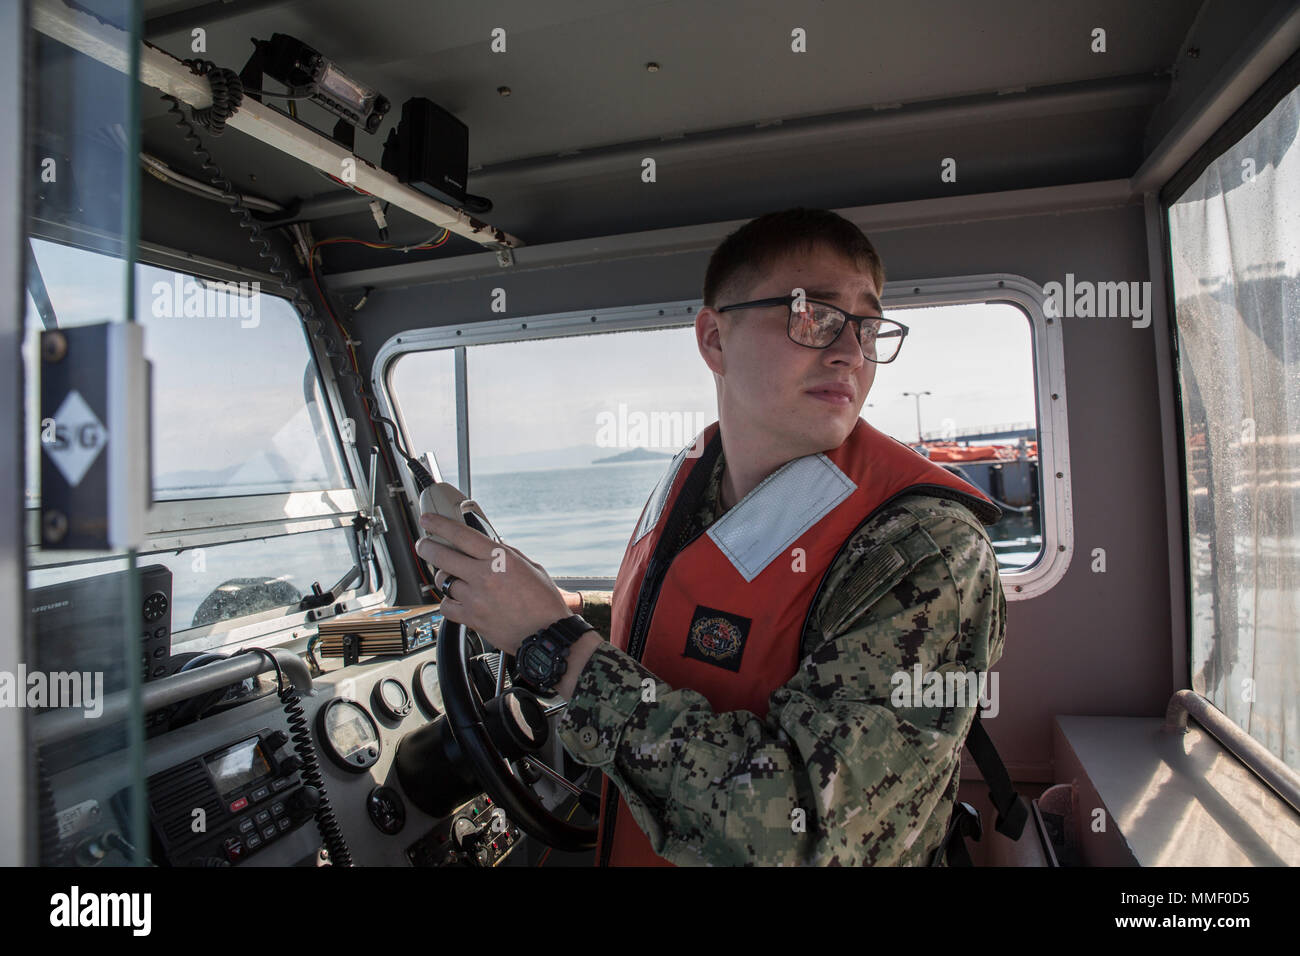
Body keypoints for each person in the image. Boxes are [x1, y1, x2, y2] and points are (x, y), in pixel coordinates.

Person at [418, 207, 1007, 866]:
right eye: (812, 315)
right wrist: (572, 613)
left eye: (868, 326)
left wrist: (554, 647)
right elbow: (707, 632)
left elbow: (808, 834)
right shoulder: (701, 482)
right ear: (713, 340)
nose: (850, 351)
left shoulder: (924, 547)